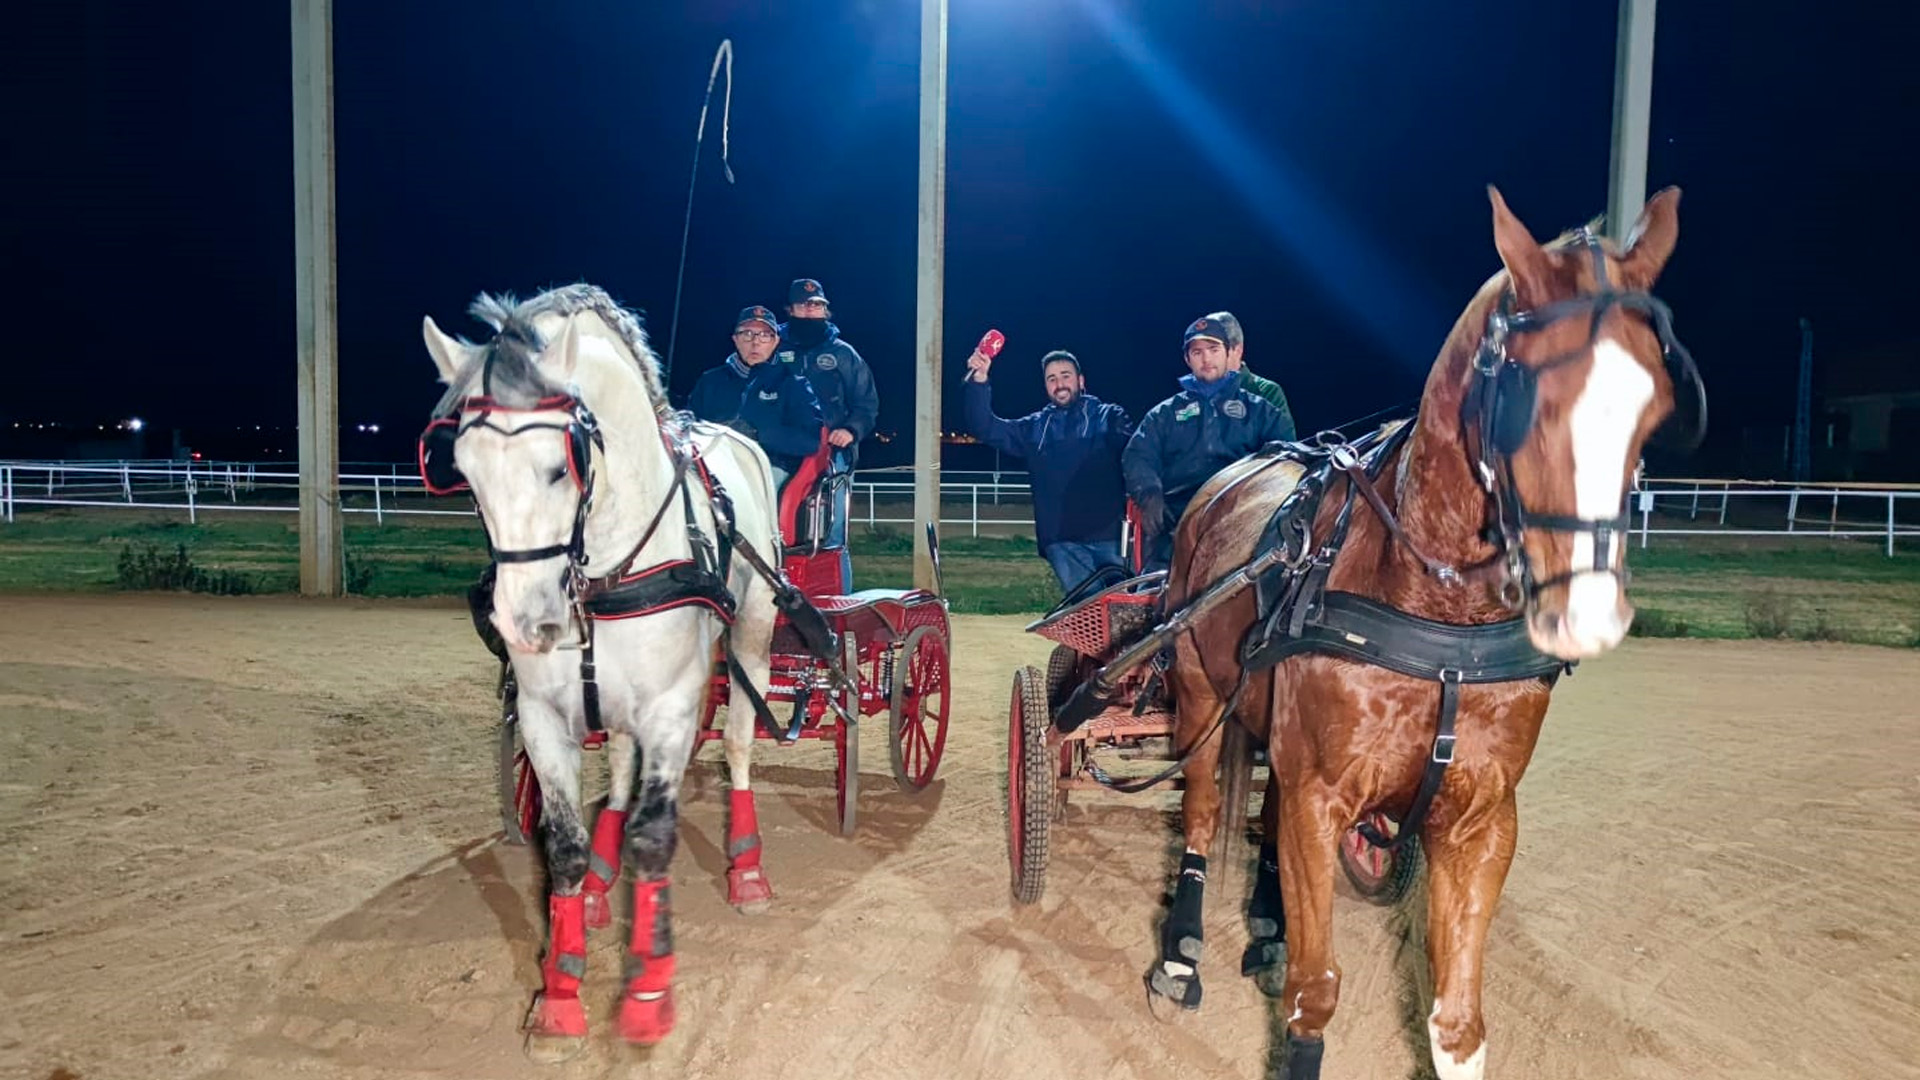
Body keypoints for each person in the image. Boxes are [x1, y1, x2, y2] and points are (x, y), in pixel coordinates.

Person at [1122, 314, 1298, 574]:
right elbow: (1137, 455)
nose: (1206, 359)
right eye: (1197, 352)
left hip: (1243, 521)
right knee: (1154, 590)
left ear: (1230, 353)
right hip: (1177, 523)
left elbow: (1287, 460)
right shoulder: (1165, 414)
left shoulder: (1261, 411)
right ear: (1187, 359)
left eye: (1214, 349)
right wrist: (1149, 493)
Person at [963, 344, 1134, 594]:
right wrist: (979, 381)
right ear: (1045, 386)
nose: (1059, 384)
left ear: (1081, 380)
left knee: (1127, 614)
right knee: (1088, 617)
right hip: (1062, 543)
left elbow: (1137, 455)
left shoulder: (1109, 417)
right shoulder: (1034, 428)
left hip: (1111, 537)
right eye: (1051, 379)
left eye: (1066, 376)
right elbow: (985, 426)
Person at [776, 278, 877, 586]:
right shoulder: (773, 346)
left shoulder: (843, 354)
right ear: (790, 309)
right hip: (780, 452)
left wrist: (850, 429)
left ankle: (838, 601)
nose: (811, 310)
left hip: (832, 457)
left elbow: (866, 403)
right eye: (804, 305)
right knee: (775, 530)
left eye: (817, 305)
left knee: (832, 533)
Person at [685, 305, 825, 490]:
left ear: (775, 341)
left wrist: (758, 434)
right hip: (711, 465)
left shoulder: (793, 384)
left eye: (764, 335)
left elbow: (810, 441)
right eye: (747, 334)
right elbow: (688, 427)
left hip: (767, 468)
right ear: (735, 339)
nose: (755, 342)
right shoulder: (710, 381)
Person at [1202, 310, 1298, 437]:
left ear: (1238, 350)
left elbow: (1284, 451)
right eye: (1200, 351)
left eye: (1214, 350)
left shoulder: (1267, 393)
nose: (1206, 359)